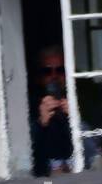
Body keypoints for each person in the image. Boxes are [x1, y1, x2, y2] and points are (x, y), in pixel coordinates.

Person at [30, 46, 73, 176]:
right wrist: (41, 123)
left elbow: (94, 142)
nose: (54, 76)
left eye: (60, 70)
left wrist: (75, 119)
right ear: (39, 76)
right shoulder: (27, 104)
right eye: (47, 71)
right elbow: (23, 150)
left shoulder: (78, 99)